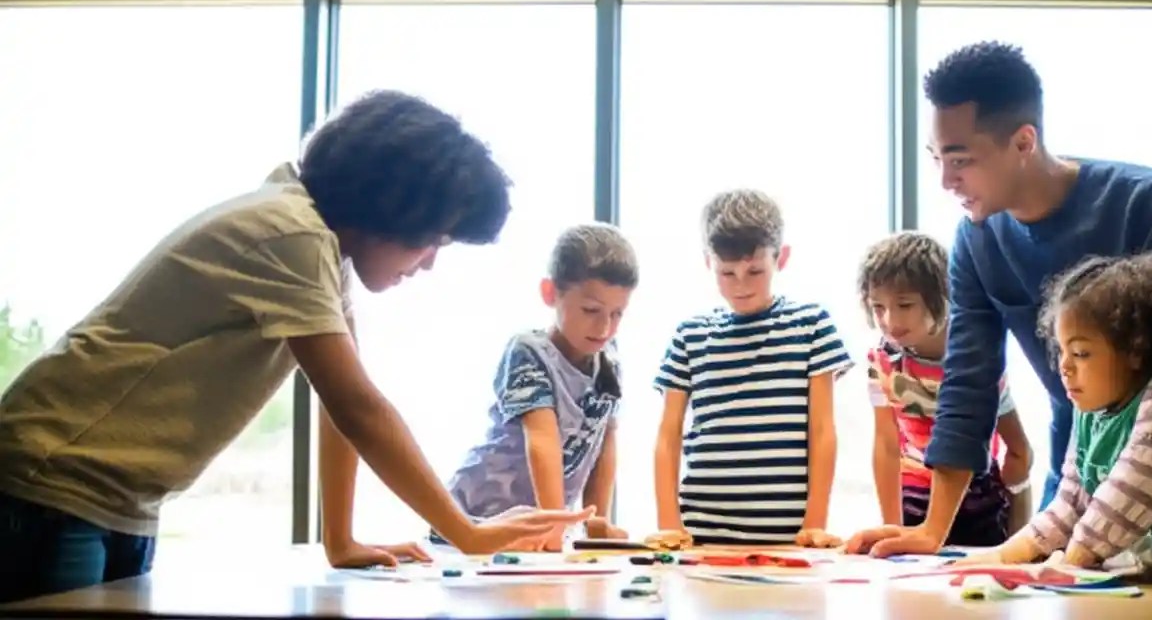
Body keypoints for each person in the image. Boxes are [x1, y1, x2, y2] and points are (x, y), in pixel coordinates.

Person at [0, 90, 590, 603]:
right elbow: (359, 408)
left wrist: (340, 539)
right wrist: (466, 531)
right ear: (393, 209)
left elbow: (343, 402)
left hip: (114, 499)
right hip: (53, 480)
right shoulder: (291, 235)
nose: (429, 263)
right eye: (431, 240)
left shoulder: (319, 249)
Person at [844, 41, 1152, 597]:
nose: (945, 180)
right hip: (1081, 459)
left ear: (1024, 141)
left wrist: (1078, 552)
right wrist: (932, 530)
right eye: (936, 159)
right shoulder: (977, 241)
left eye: (960, 159)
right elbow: (969, 384)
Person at [956, 251, 1152, 595]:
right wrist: (1001, 556)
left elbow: (1128, 494)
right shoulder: (1089, 412)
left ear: (1136, 349)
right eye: (1061, 351)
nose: (1064, 367)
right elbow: (1069, 503)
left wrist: (1066, 566)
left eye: (1080, 353)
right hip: (1134, 589)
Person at [647, 189, 853, 549]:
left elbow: (822, 431)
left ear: (781, 257)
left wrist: (815, 523)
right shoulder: (690, 335)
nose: (741, 284)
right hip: (703, 535)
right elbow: (668, 435)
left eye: (755, 270)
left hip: (788, 537)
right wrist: (669, 525)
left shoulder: (812, 325)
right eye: (727, 272)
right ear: (707, 262)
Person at [440, 222, 637, 551]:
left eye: (617, 314)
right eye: (590, 310)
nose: (604, 327)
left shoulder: (610, 360)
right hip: (477, 519)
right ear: (550, 293)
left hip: (541, 524)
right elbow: (542, 440)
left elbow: (606, 440)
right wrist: (555, 523)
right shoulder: (529, 351)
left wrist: (594, 522)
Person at [854, 231, 1033, 548]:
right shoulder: (881, 360)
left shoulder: (973, 357)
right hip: (914, 493)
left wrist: (1019, 535)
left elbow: (1019, 450)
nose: (889, 320)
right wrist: (891, 526)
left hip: (977, 492)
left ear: (941, 296)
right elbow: (886, 444)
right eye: (878, 307)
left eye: (904, 304)